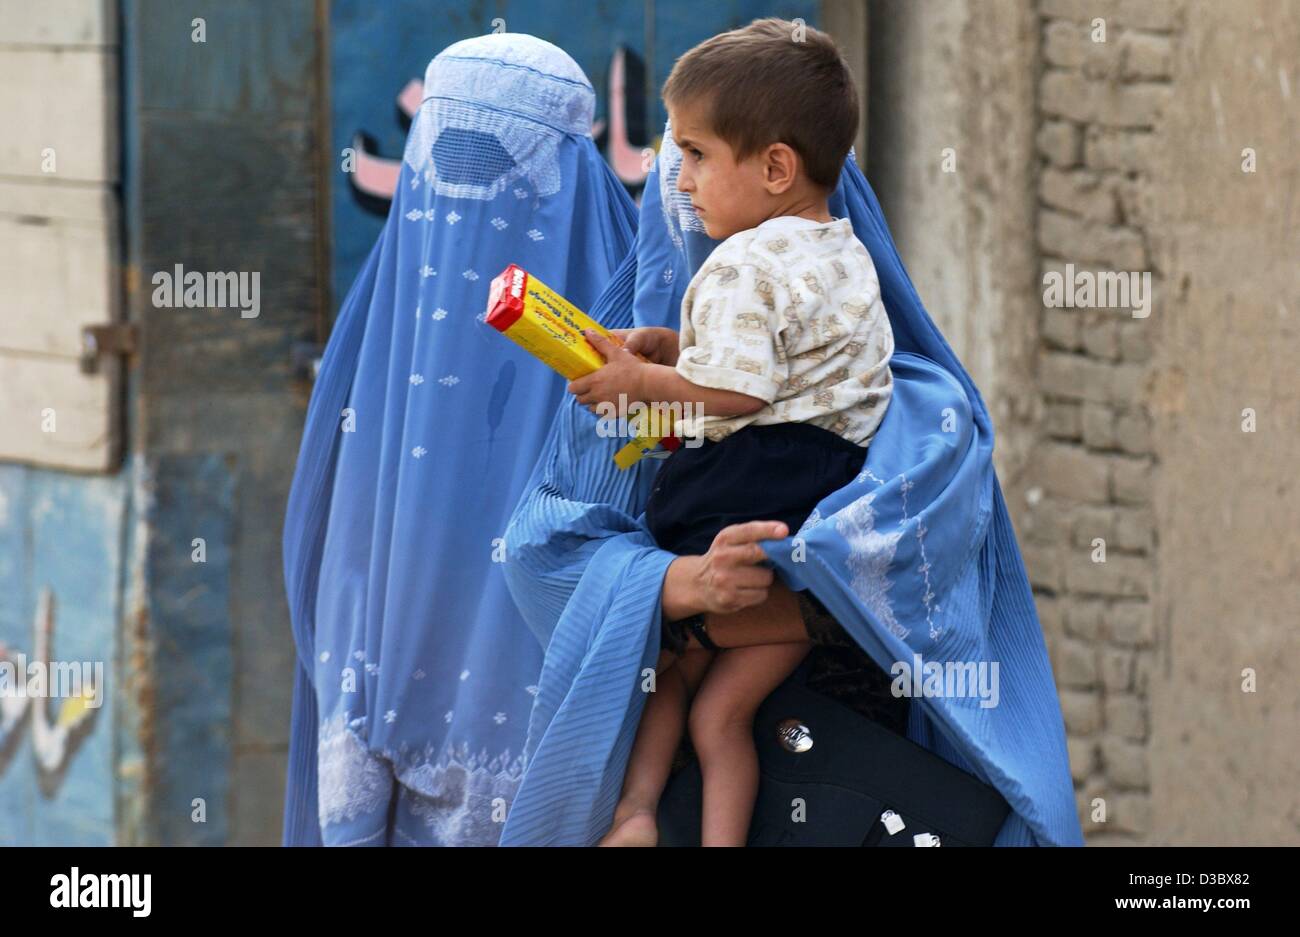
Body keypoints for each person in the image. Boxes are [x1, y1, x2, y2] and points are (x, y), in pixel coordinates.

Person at [496, 21, 1083, 849]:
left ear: (782, 174)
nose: (686, 199)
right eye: (674, 175)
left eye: (697, 163)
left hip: (855, 763)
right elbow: (540, 559)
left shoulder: (924, 410)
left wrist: (784, 587)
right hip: (690, 774)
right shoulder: (625, 383)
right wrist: (684, 584)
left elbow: (922, 588)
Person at [280, 33, 638, 846]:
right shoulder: (373, 359)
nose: (471, 211)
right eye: (449, 170)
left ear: (570, 175)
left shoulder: (642, 354)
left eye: (500, 172)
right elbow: (340, 578)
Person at [565, 20, 895, 846]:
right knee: (722, 715)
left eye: (697, 155)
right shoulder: (842, 249)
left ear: (776, 166)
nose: (680, 183)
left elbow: (738, 394)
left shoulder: (741, 263)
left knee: (665, 662)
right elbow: (779, 366)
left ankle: (635, 813)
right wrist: (676, 351)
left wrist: (640, 382)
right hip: (822, 512)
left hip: (752, 486)